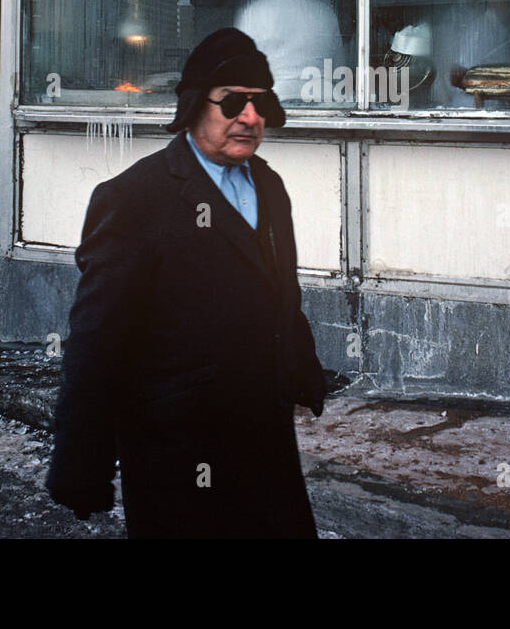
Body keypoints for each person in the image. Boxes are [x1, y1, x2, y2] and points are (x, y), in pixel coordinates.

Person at [46, 27, 328, 537]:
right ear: (197, 105)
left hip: (264, 441)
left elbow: (279, 291)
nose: (250, 117)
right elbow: (96, 342)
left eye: (260, 103)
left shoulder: (268, 184)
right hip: (176, 454)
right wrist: (80, 463)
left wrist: (301, 367)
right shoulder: (135, 199)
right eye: (233, 103)